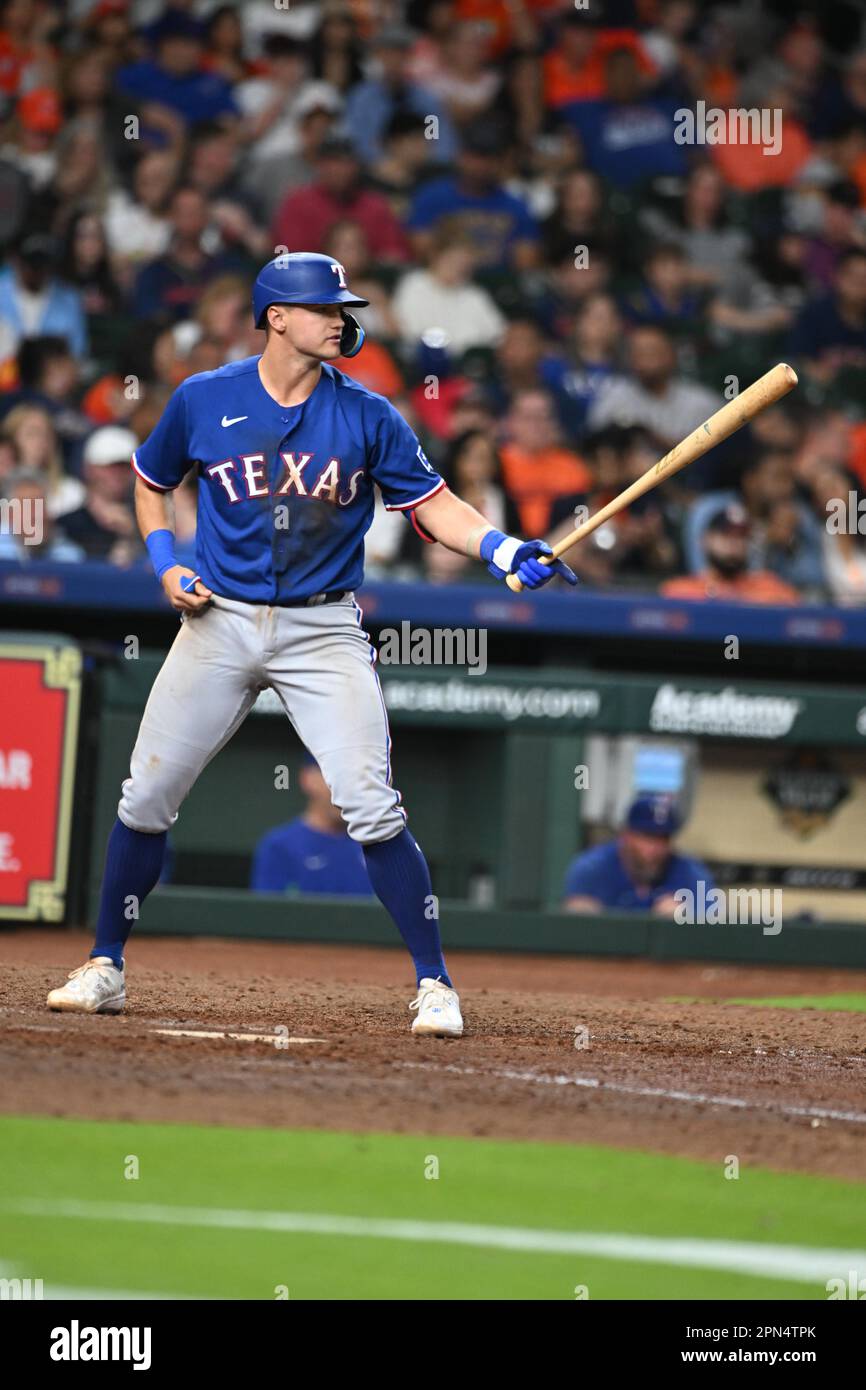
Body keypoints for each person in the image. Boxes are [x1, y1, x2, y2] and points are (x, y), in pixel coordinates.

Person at [46, 250, 577, 1037]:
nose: (340, 318)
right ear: (277, 318)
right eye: (325, 306)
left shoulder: (367, 413)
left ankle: (435, 983)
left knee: (369, 800)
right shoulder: (204, 397)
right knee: (146, 795)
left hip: (321, 626)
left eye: (342, 307)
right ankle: (105, 965)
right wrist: (165, 563)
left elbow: (433, 506)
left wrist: (502, 550)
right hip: (218, 618)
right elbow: (152, 482)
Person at [562, 795, 713, 916]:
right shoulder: (592, 868)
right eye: (647, 837)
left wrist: (687, 919)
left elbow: (713, 931)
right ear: (626, 835)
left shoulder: (691, 873)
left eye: (662, 838)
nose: (655, 848)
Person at [251, 756, 374, 896]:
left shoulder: (375, 845)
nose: (345, 789)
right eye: (337, 776)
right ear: (308, 778)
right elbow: (268, 913)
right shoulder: (279, 846)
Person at [661, 504, 800, 603]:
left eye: (741, 537)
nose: (734, 543)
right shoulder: (681, 589)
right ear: (705, 540)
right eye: (725, 534)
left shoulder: (770, 588)